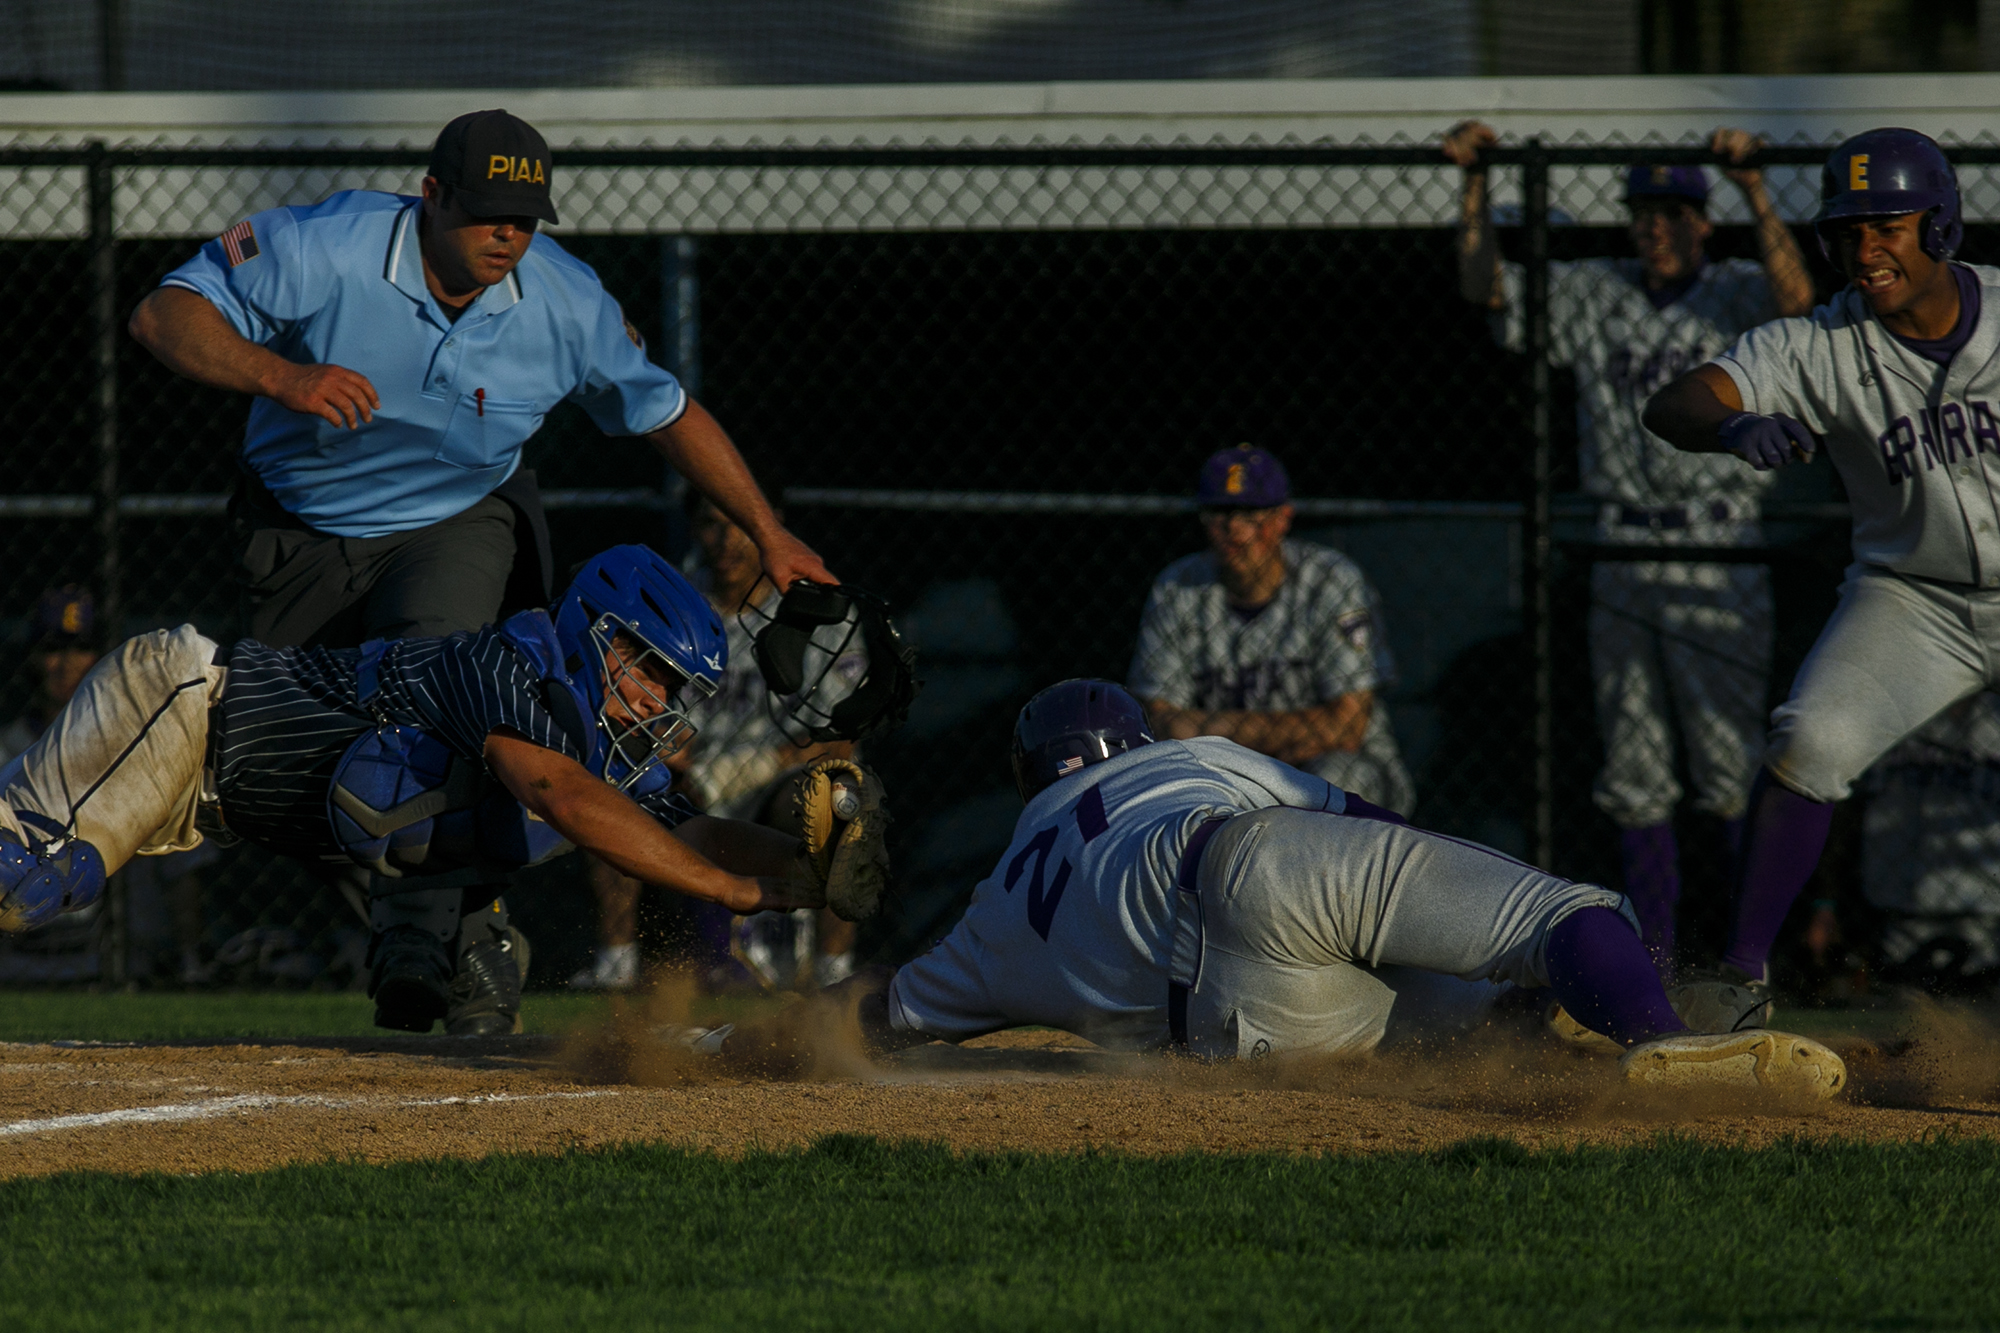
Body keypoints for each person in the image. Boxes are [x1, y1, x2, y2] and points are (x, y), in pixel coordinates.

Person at [126, 108, 834, 1032]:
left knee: (446, 680)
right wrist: (282, 376)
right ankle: (463, 924)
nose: (509, 232)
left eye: (526, 215)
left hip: (460, 520)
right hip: (299, 534)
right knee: (335, 757)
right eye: (487, 211)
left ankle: (430, 942)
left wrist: (768, 531)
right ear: (431, 196)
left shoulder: (562, 301)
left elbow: (667, 412)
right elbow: (162, 314)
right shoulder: (327, 245)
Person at [827, 679, 1843, 1099]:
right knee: (1560, 915)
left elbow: (882, 1014)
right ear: (1124, 744)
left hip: (1236, 1029)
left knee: (1470, 1023)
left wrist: (765, 1014)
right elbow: (1366, 830)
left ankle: (1561, 1024)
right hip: (1241, 859)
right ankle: (1650, 1028)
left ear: (1026, 780)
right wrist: (1450, 901)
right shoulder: (1188, 753)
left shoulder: (999, 891)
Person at [0, 546, 867, 1035]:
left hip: (212, 795)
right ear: (595, 633)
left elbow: (696, 828)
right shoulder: (501, 665)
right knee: (28, 879)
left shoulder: (593, 745)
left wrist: (812, 867)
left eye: (671, 689)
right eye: (647, 670)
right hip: (185, 709)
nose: (655, 700)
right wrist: (733, 894)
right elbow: (566, 801)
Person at [1444, 122, 1816, 977]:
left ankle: (1738, 959)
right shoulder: (1595, 288)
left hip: (1716, 537)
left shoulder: (1732, 290)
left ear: (1703, 221)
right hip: (1621, 539)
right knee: (1635, 765)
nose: (1657, 225)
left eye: (1675, 209)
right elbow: (1486, 289)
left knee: (1727, 766)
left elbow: (1798, 303)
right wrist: (1471, 188)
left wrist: (1756, 187)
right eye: (1645, 210)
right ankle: (1654, 955)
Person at [1641, 127, 1995, 1024]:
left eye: (1887, 226)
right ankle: (1739, 980)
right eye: (1846, 231)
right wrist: (1730, 427)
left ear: (1941, 225)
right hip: (1917, 599)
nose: (1863, 250)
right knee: (1810, 741)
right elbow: (1673, 402)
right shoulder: (1824, 342)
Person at [570, 499, 858, 992]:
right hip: (683, 775)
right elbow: (635, 695)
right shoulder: (672, 594)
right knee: (609, 792)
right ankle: (616, 966)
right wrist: (663, 750)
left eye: (740, 527)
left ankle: (833, 972)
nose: (725, 543)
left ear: (772, 525)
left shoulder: (819, 607)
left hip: (777, 780)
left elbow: (840, 739)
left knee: (841, 795)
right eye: (709, 524)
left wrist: (732, 771)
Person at [1128, 444, 1415, 818]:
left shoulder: (1331, 581)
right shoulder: (1177, 587)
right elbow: (1161, 725)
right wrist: (1298, 731)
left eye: (1249, 512)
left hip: (1339, 767)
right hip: (1229, 773)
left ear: (1283, 518)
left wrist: (1213, 732)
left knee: (1335, 777)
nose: (1232, 527)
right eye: (1219, 512)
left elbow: (1346, 727)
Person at [1, 587, 215, 983]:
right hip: (18, 965)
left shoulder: (144, 747)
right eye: (52, 648)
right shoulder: (5, 750)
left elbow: (185, 867)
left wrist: (188, 961)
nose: (65, 663)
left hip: (120, 963)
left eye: (81, 648)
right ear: (32, 658)